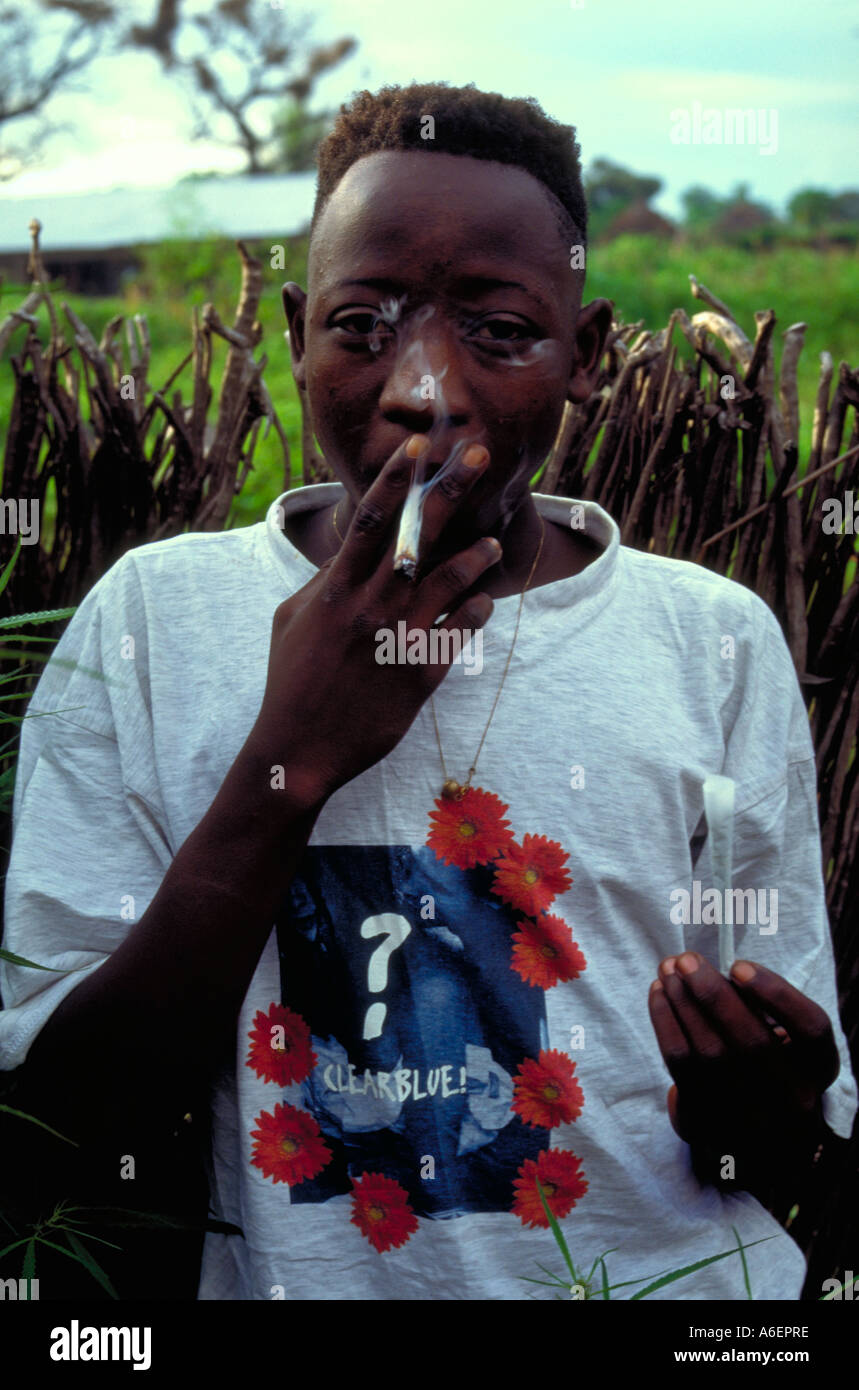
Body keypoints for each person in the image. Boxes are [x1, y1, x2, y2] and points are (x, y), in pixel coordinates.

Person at [0, 81, 855, 1301]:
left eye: (499, 331)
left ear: (585, 358)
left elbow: (766, 1152)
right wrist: (289, 754)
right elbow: (63, 1130)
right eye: (362, 322)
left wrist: (760, 1105)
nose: (423, 390)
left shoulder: (707, 640)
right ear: (296, 333)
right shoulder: (157, 622)